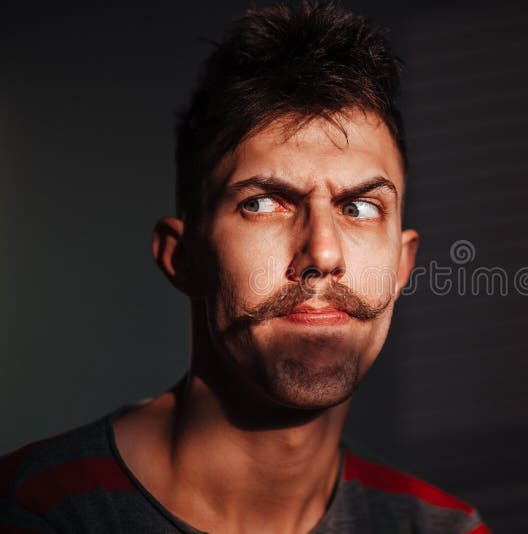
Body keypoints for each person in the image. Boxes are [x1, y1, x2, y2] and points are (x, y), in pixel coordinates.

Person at [0, 1, 490, 533]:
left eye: (359, 207)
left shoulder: (443, 528)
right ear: (182, 258)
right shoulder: (35, 505)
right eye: (262, 203)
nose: (323, 255)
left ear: (402, 263)